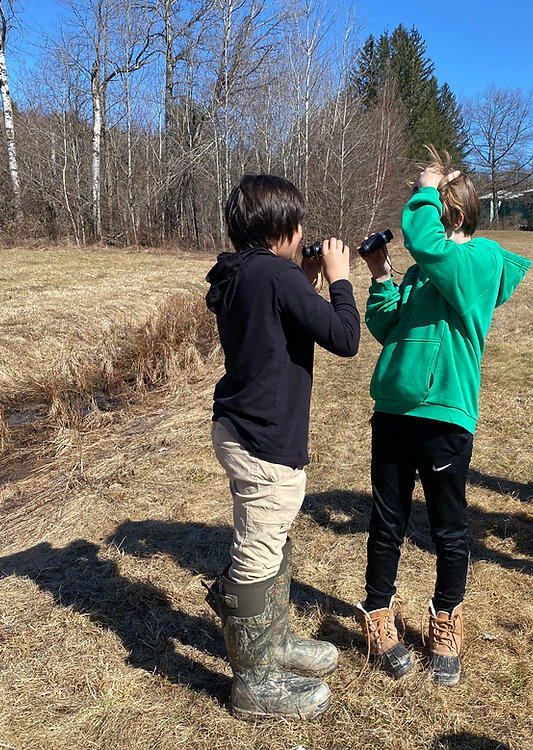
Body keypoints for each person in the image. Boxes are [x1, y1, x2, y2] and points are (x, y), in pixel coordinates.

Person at [357, 148, 530, 686]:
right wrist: (384, 278)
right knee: (387, 521)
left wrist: (427, 187)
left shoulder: (478, 262)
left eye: (427, 201)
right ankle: (379, 617)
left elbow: (427, 242)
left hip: (444, 418)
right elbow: (389, 330)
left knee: (447, 527)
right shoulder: (423, 273)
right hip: (393, 412)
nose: (419, 206)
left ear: (449, 214)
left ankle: (447, 619)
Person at [204, 174, 360, 720]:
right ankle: (254, 682)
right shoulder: (276, 275)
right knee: (257, 552)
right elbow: (344, 338)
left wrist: (302, 281)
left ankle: (274, 640)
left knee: (272, 536)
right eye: (300, 226)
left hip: (242, 427)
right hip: (265, 439)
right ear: (287, 228)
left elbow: (279, 323)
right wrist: (339, 281)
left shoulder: (243, 272)